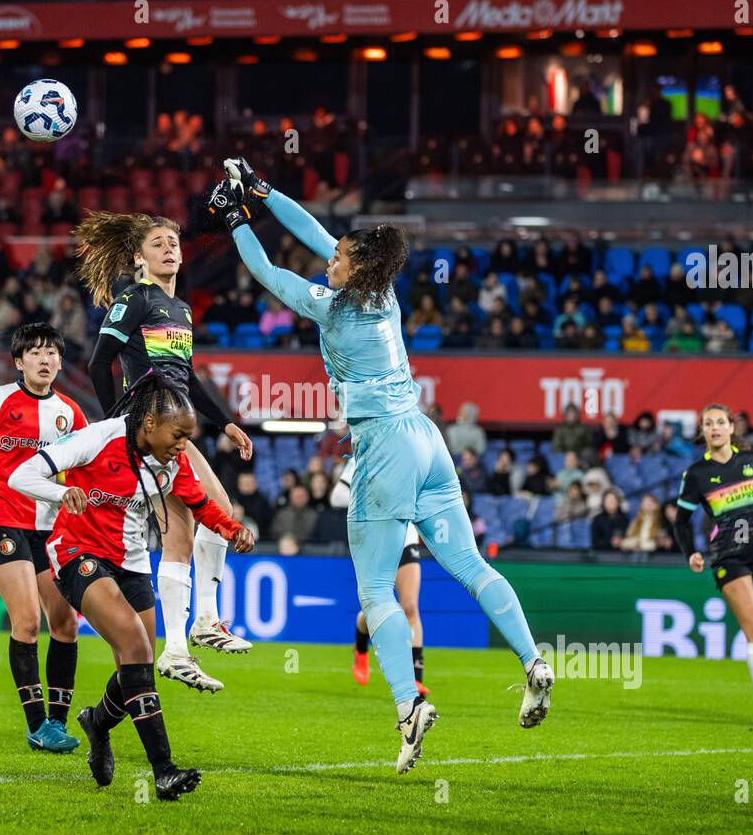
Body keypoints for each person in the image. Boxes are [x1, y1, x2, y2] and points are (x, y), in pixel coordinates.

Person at [220, 156, 553, 773]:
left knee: (375, 590)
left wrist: (235, 219)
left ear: (356, 269)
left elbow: (268, 271)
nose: (330, 260)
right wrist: (263, 192)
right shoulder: (384, 294)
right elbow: (320, 237)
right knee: (471, 565)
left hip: (386, 445)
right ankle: (533, 661)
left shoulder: (332, 307)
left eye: (339, 259)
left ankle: (409, 705)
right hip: (428, 439)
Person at [8, 373, 254, 800]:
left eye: (188, 437)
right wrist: (58, 494)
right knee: (138, 651)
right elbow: (21, 476)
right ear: (149, 426)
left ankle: (96, 725)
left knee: (133, 668)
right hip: (77, 554)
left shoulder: (171, 461)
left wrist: (233, 530)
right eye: (178, 436)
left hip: (132, 562)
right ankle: (165, 771)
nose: (183, 446)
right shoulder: (99, 438)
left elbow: (199, 503)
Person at [78, 210, 255, 695]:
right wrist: (118, 416)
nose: (168, 249)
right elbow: (100, 360)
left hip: (173, 422)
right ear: (139, 257)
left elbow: (188, 378)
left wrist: (226, 421)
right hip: (149, 422)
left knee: (188, 526)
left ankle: (179, 647)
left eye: (173, 242)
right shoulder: (135, 297)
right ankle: (199, 627)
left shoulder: (180, 309)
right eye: (157, 244)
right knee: (216, 509)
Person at [0, 323, 86, 754]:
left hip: (51, 528)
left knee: (65, 625)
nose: (45, 360)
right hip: (1, 522)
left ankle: (56, 724)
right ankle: (35, 724)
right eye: (35, 353)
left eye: (51, 353)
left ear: (61, 361)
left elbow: (86, 470)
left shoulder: (71, 413)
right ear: (19, 362)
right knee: (27, 621)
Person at [673, 404, 753, 726]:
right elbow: (680, 522)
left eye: (720, 422)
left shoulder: (751, 462)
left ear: (731, 428)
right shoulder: (697, 475)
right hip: (728, 558)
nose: (714, 428)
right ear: (703, 432)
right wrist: (690, 552)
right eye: (708, 424)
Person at [333, 456, 429, 699]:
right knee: (378, 608)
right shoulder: (362, 457)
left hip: (405, 536)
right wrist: (374, 501)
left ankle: (416, 680)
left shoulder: (409, 453)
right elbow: (337, 496)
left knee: (410, 607)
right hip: (374, 540)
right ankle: (361, 645)